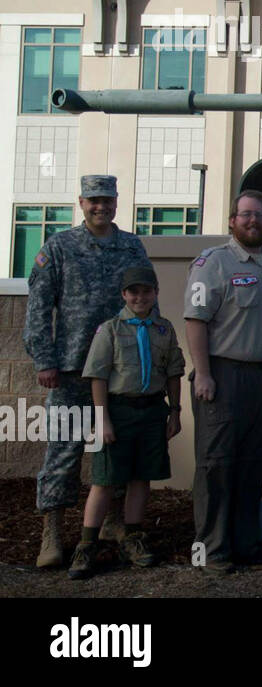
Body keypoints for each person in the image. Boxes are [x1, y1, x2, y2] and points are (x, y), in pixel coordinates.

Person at [24, 173, 150, 568]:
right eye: (93, 200)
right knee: (63, 453)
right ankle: (54, 533)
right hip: (71, 370)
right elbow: (39, 308)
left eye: (107, 200)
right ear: (81, 203)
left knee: (111, 451)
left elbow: (148, 303)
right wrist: (44, 359)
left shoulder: (132, 246)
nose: (101, 207)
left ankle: (111, 522)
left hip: (120, 372)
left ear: (116, 202)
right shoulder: (59, 247)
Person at [185, 189, 262, 573]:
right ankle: (211, 550)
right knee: (216, 465)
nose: (252, 221)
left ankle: (245, 544)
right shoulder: (213, 263)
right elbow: (195, 320)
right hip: (223, 376)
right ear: (232, 220)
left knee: (253, 464)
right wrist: (204, 373)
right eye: (245, 214)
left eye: (260, 215)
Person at [69, 267, 185, 580]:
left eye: (146, 291)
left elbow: (173, 373)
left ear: (155, 293)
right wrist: (102, 418)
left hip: (151, 412)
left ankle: (132, 538)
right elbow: (98, 376)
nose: (139, 297)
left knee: (141, 477)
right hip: (117, 412)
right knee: (104, 479)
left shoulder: (165, 329)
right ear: (123, 295)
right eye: (133, 291)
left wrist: (175, 412)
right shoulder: (110, 329)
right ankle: (87, 544)